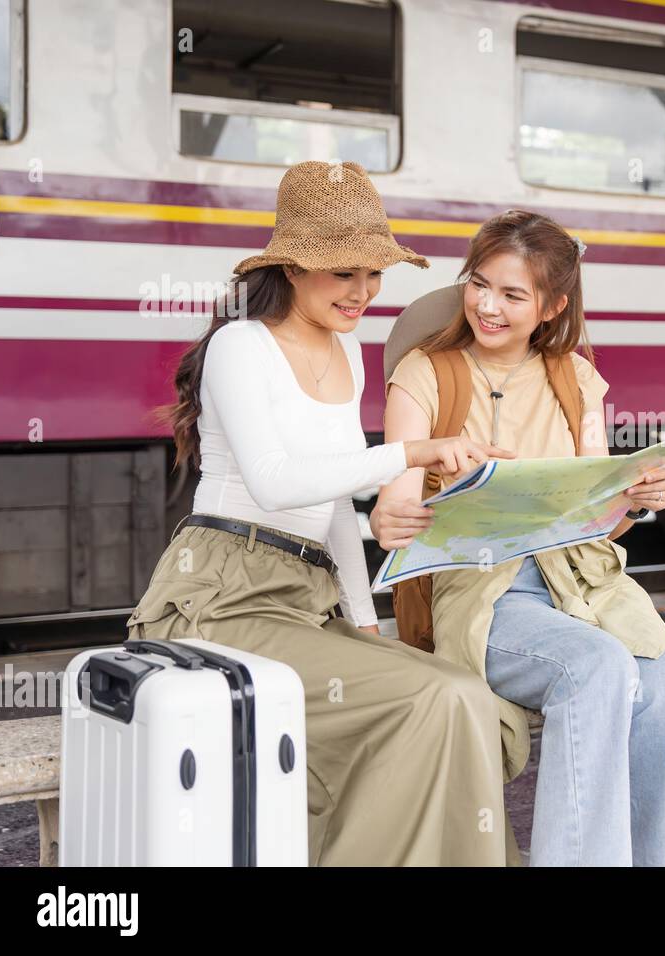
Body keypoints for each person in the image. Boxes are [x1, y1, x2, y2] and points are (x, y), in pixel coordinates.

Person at [133, 160, 519, 866]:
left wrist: (365, 622)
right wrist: (409, 451)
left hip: (308, 600)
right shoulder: (240, 346)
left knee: (464, 694)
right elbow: (279, 485)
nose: (364, 292)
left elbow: (335, 502)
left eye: (374, 274)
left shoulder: (349, 349)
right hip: (222, 598)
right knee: (429, 700)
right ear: (294, 267)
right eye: (345, 272)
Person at [372, 209, 665, 866]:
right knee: (596, 668)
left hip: (584, 583)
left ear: (552, 307)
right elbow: (393, 509)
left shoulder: (574, 378)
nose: (486, 306)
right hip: (486, 591)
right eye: (478, 283)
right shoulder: (425, 372)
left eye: (512, 295)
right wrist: (399, 517)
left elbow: (600, 517)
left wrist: (638, 500)